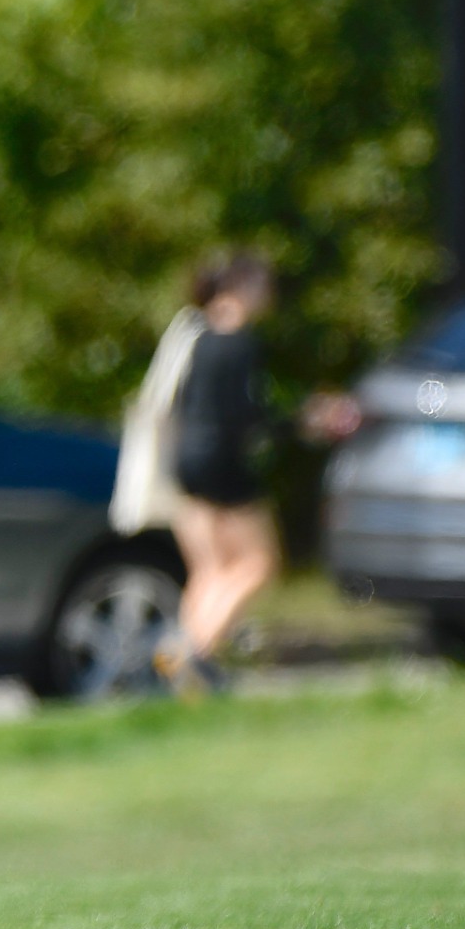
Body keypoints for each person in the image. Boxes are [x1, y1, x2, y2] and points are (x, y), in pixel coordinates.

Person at [152, 254, 282, 693]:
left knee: (210, 568)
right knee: (257, 564)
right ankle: (195, 654)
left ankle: (178, 660)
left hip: (184, 459)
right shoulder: (239, 341)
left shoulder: (196, 335)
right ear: (243, 288)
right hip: (223, 462)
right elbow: (245, 414)